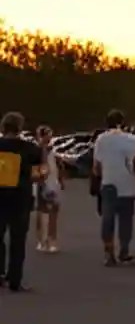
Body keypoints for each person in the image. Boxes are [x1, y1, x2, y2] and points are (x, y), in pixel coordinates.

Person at [94, 109, 135, 265]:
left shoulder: (101, 140)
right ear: (123, 122)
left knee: (108, 219)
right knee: (126, 219)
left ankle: (109, 252)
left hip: (109, 183)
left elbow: (97, 165)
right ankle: (124, 250)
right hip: (129, 184)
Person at [0, 111, 43, 292]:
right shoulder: (30, 149)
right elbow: (39, 174)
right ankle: (15, 279)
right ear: (20, 127)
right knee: (18, 240)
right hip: (20, 197)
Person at [34, 125, 65, 253]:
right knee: (41, 212)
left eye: (49, 135)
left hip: (53, 183)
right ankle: (42, 240)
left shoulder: (53, 151)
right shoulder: (37, 151)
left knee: (53, 213)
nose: (48, 138)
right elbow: (37, 169)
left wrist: (61, 181)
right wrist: (40, 181)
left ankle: (52, 239)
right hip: (42, 184)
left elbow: (59, 167)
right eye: (45, 135)